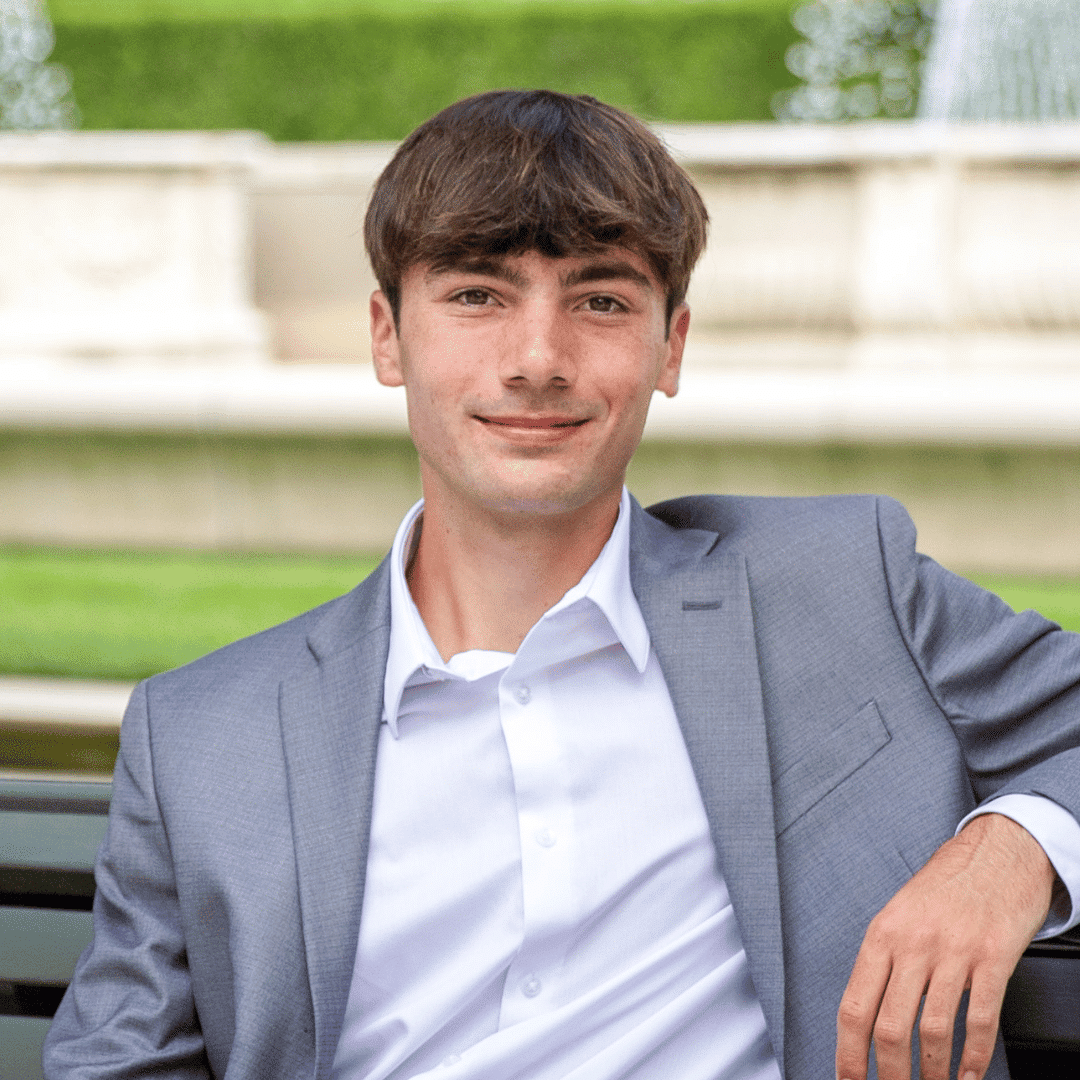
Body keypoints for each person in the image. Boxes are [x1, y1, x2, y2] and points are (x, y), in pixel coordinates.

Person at [44, 90, 1080, 1080]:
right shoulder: (200, 739)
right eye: (477, 296)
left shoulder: (841, 583)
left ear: (670, 345)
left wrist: (1010, 848)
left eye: (600, 299)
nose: (538, 358)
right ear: (384, 336)